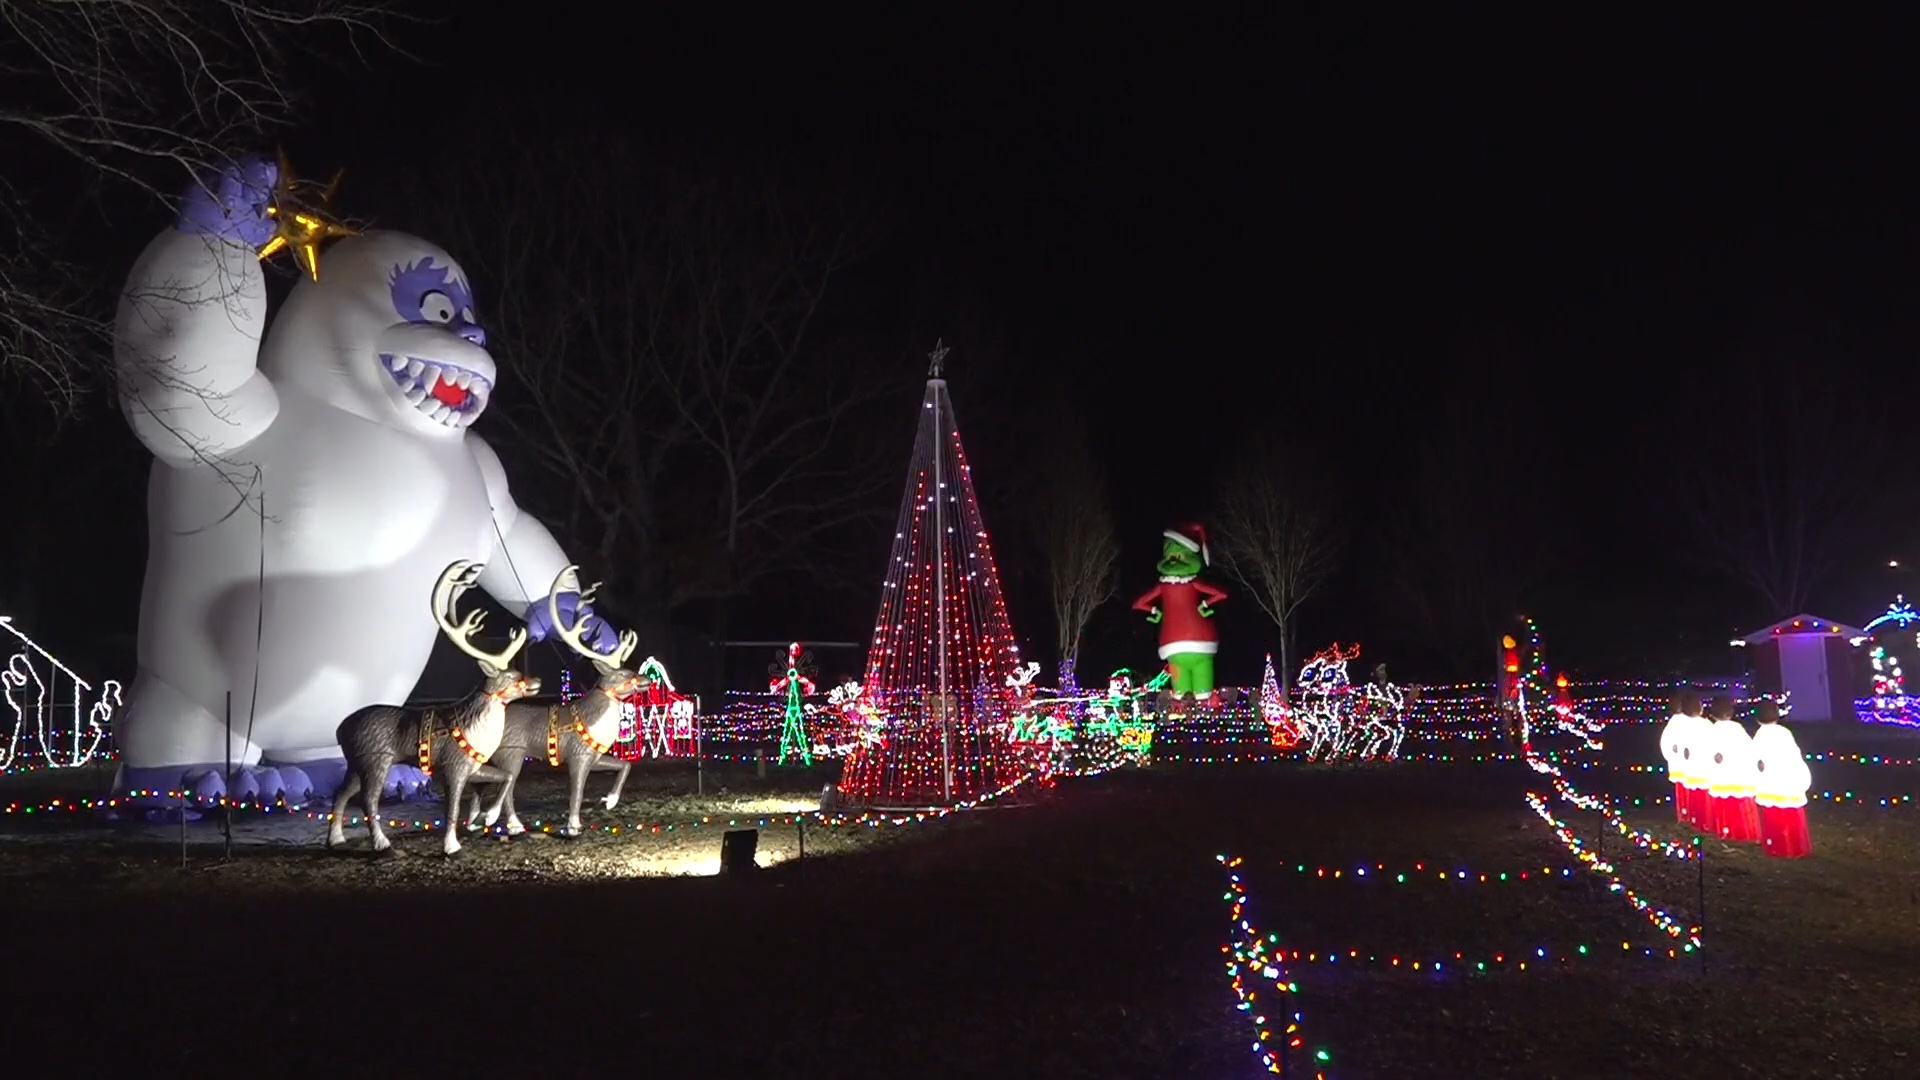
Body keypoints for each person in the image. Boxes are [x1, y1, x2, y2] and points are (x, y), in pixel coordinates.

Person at [1752, 701, 1813, 858]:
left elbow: (1756, 762)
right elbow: (1794, 756)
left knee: (1773, 820)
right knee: (1792, 819)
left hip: (1770, 786)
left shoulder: (1758, 737)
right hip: (1788, 784)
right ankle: (1796, 847)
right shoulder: (1785, 733)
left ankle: (1776, 846)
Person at [1705, 697, 1760, 842]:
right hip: (1735, 778)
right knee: (1738, 808)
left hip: (1727, 779)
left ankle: (1730, 832)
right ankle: (1743, 833)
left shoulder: (1713, 732)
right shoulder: (1736, 730)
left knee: (1727, 808)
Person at [1661, 690, 1702, 824]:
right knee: (1686, 793)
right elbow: (1668, 744)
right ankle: (1687, 817)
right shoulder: (1677, 723)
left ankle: (1691, 817)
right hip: (1682, 767)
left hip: (1689, 767)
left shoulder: (1687, 722)